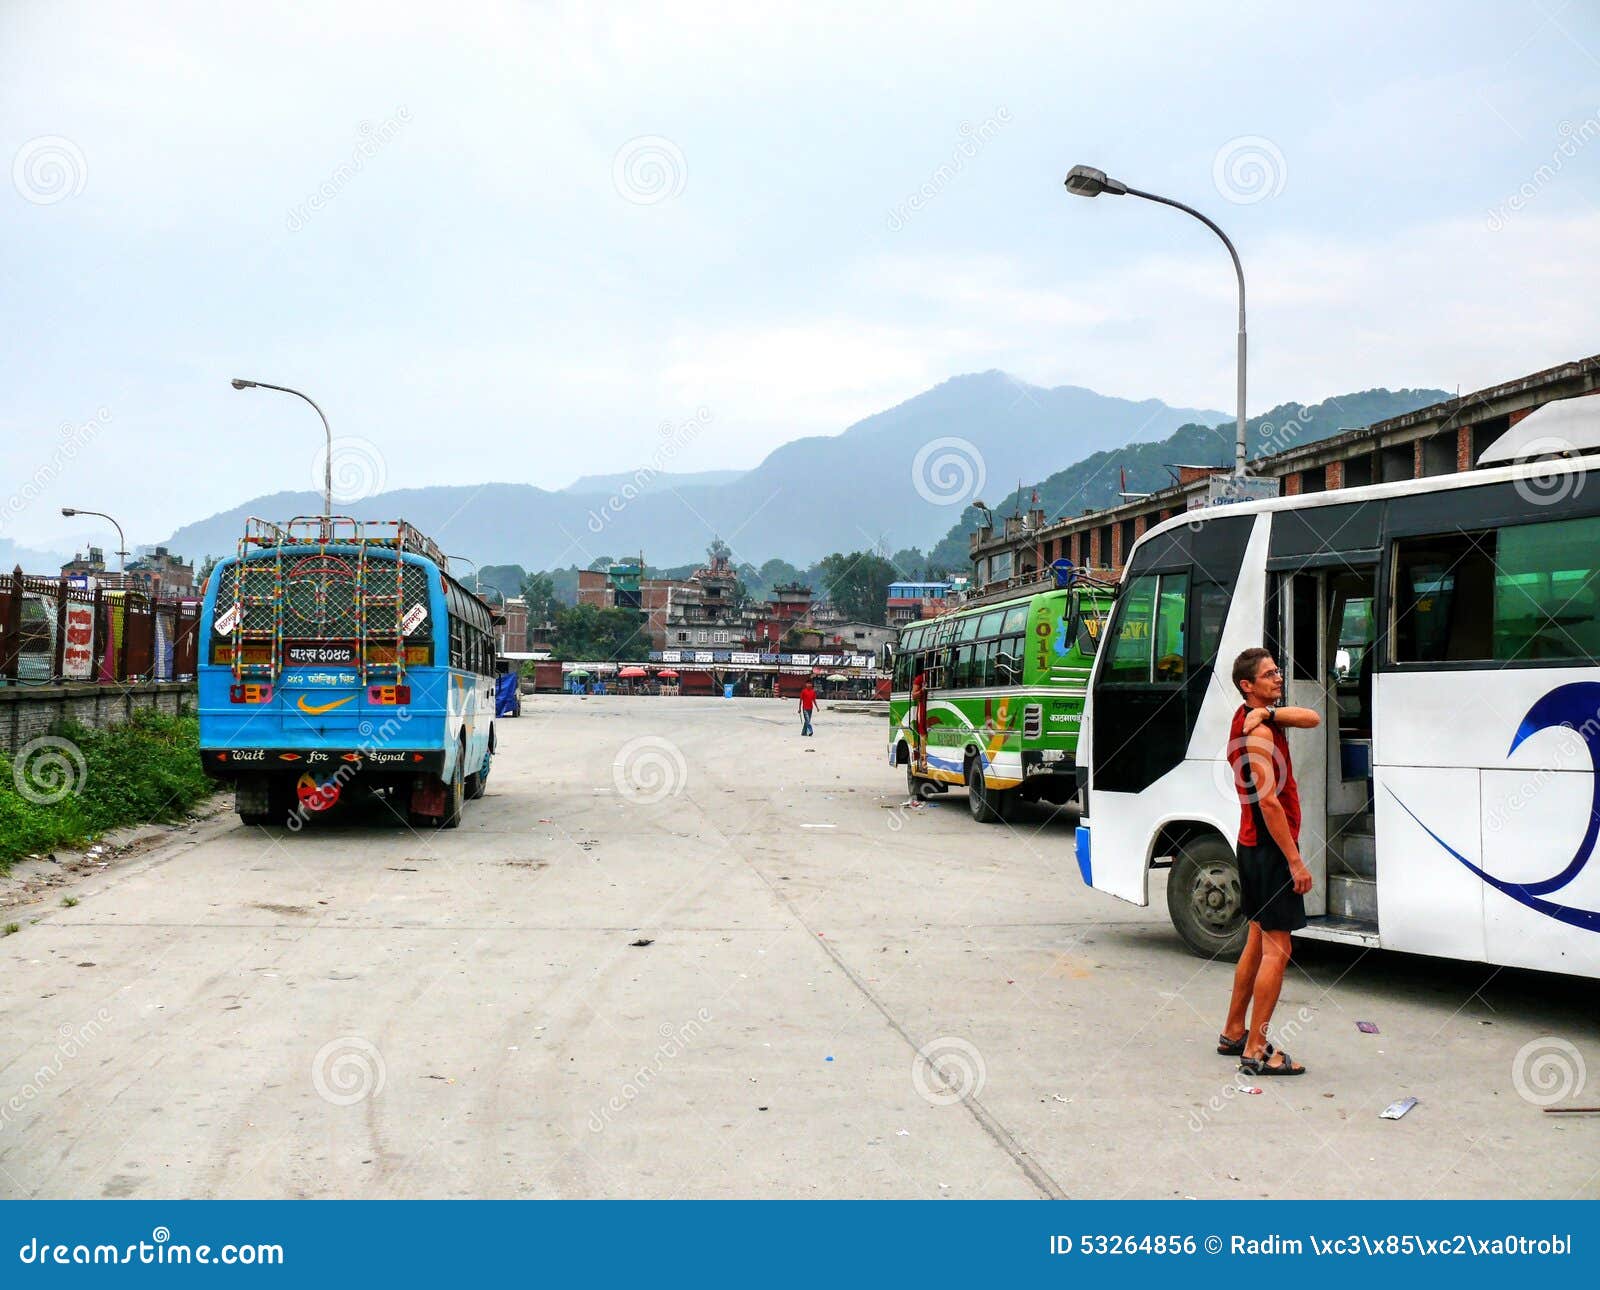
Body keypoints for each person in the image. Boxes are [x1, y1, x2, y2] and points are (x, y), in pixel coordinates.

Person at [1217, 647, 1320, 1077]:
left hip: (1252, 846)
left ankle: (1233, 1031)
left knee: (1257, 940)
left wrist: (1269, 713)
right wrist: (1295, 861)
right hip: (1270, 851)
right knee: (1279, 949)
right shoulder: (1257, 735)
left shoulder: (1251, 719)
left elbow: (1312, 718)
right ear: (1248, 685)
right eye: (1268, 674)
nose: (1278, 678)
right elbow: (1269, 803)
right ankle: (1256, 1049)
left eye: (1278, 671)